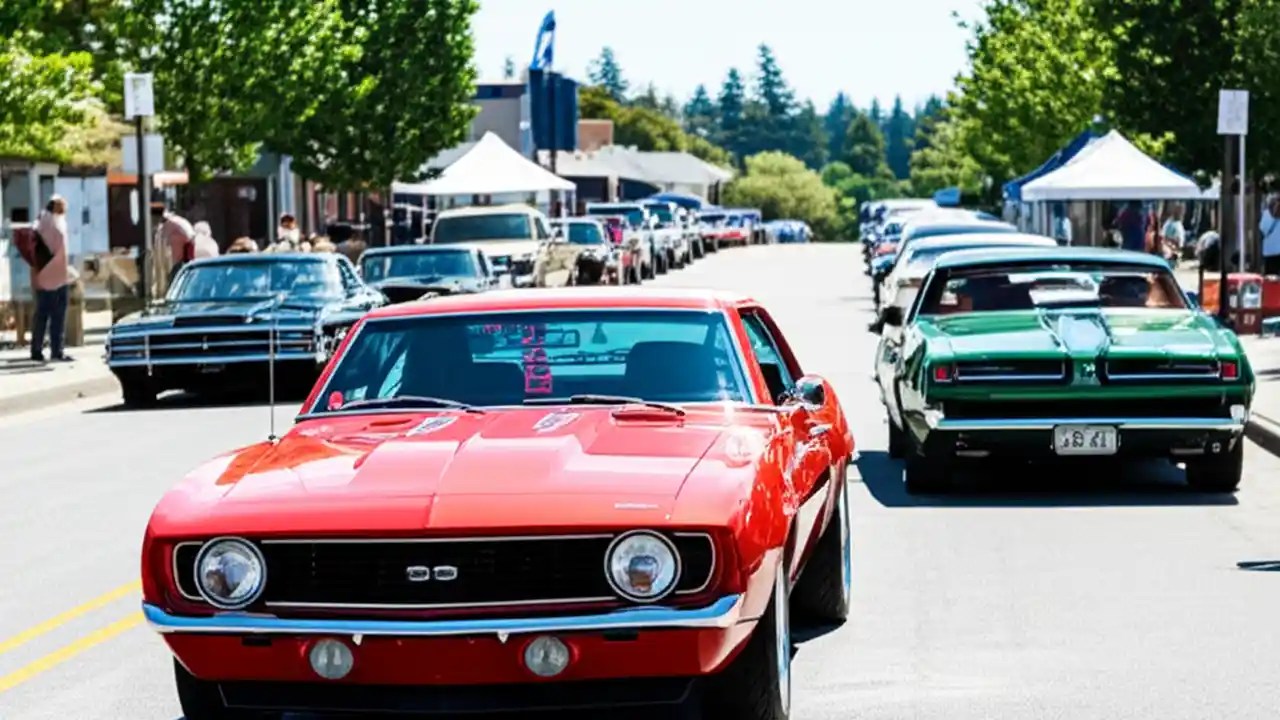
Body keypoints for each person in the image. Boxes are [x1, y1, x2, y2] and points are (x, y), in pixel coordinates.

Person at [31, 196, 73, 363]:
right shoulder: (53, 224)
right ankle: (57, 350)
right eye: (63, 206)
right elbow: (59, 250)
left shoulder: (41, 222)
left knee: (42, 315)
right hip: (56, 275)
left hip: (44, 275)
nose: (65, 210)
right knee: (57, 315)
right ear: (56, 207)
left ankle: (37, 350)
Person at [153, 206, 196, 283]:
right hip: (180, 257)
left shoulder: (170, 225)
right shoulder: (176, 222)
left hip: (181, 258)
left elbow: (190, 237)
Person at [1259, 195, 1280, 275]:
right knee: (1271, 279)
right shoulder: (1267, 214)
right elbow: (1264, 229)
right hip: (1271, 253)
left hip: (1272, 252)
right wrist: (1274, 216)